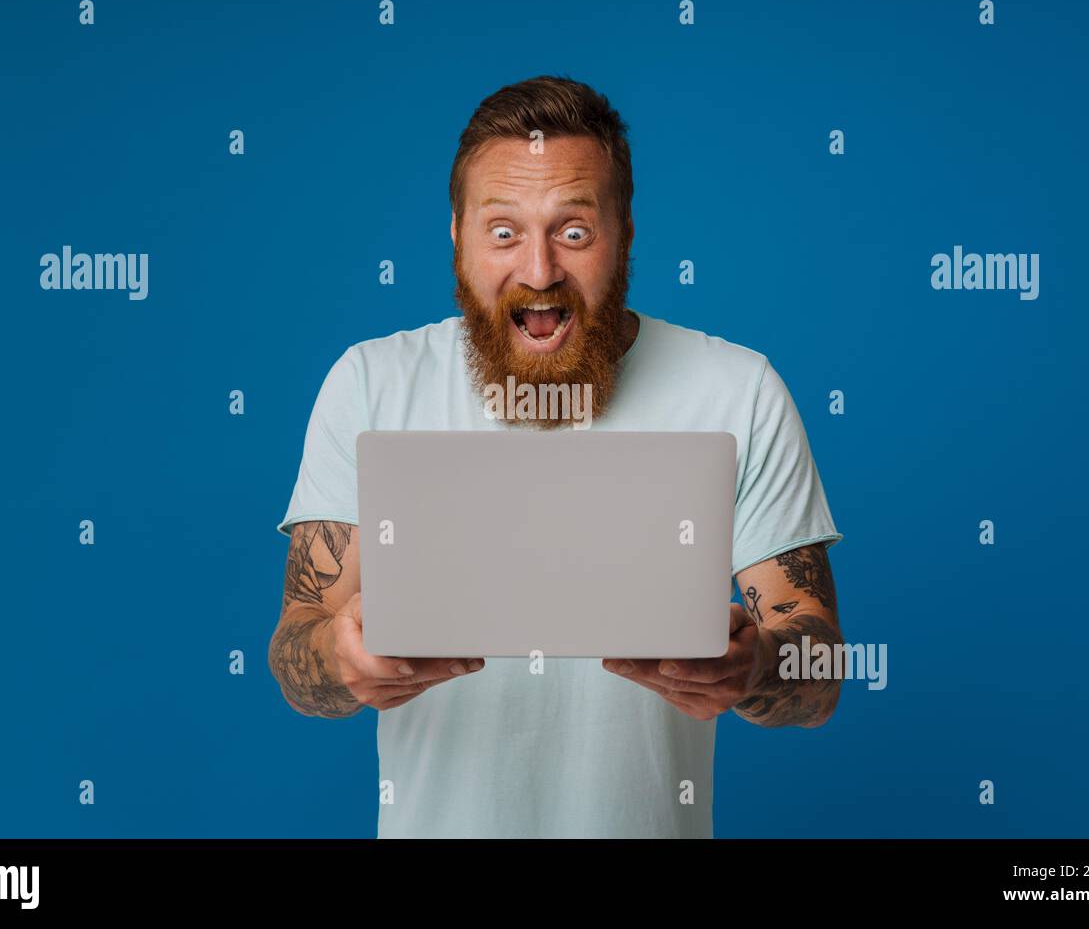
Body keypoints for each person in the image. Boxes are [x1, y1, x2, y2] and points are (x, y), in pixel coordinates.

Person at [270, 75, 845, 838]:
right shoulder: (370, 385)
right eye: (503, 231)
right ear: (456, 236)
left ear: (626, 234)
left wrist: (753, 668)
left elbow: (824, 669)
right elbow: (295, 646)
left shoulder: (738, 391)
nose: (538, 271)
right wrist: (341, 659)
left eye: (573, 231)